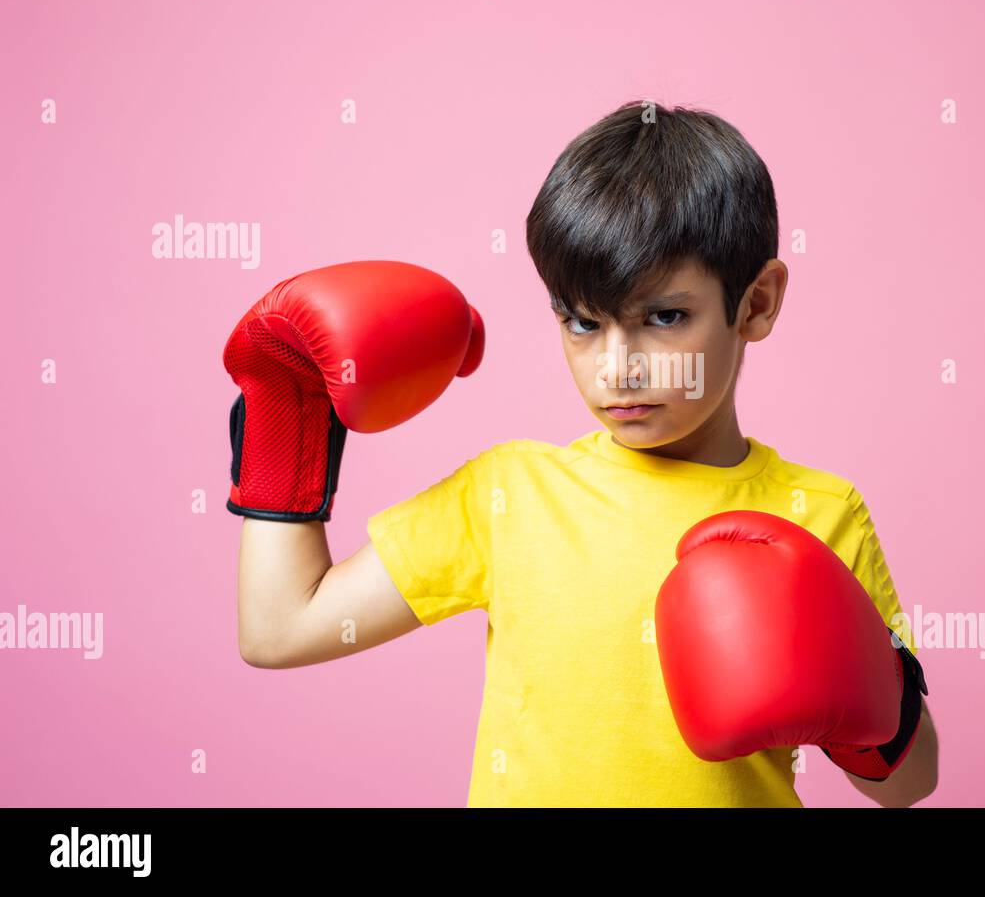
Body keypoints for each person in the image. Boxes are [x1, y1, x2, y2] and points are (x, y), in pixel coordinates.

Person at [230, 100, 939, 807]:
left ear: (755, 304)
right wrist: (283, 416)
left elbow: (911, 784)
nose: (616, 368)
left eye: (664, 317)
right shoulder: (508, 496)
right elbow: (279, 630)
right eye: (582, 322)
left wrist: (869, 700)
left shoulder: (815, 512)